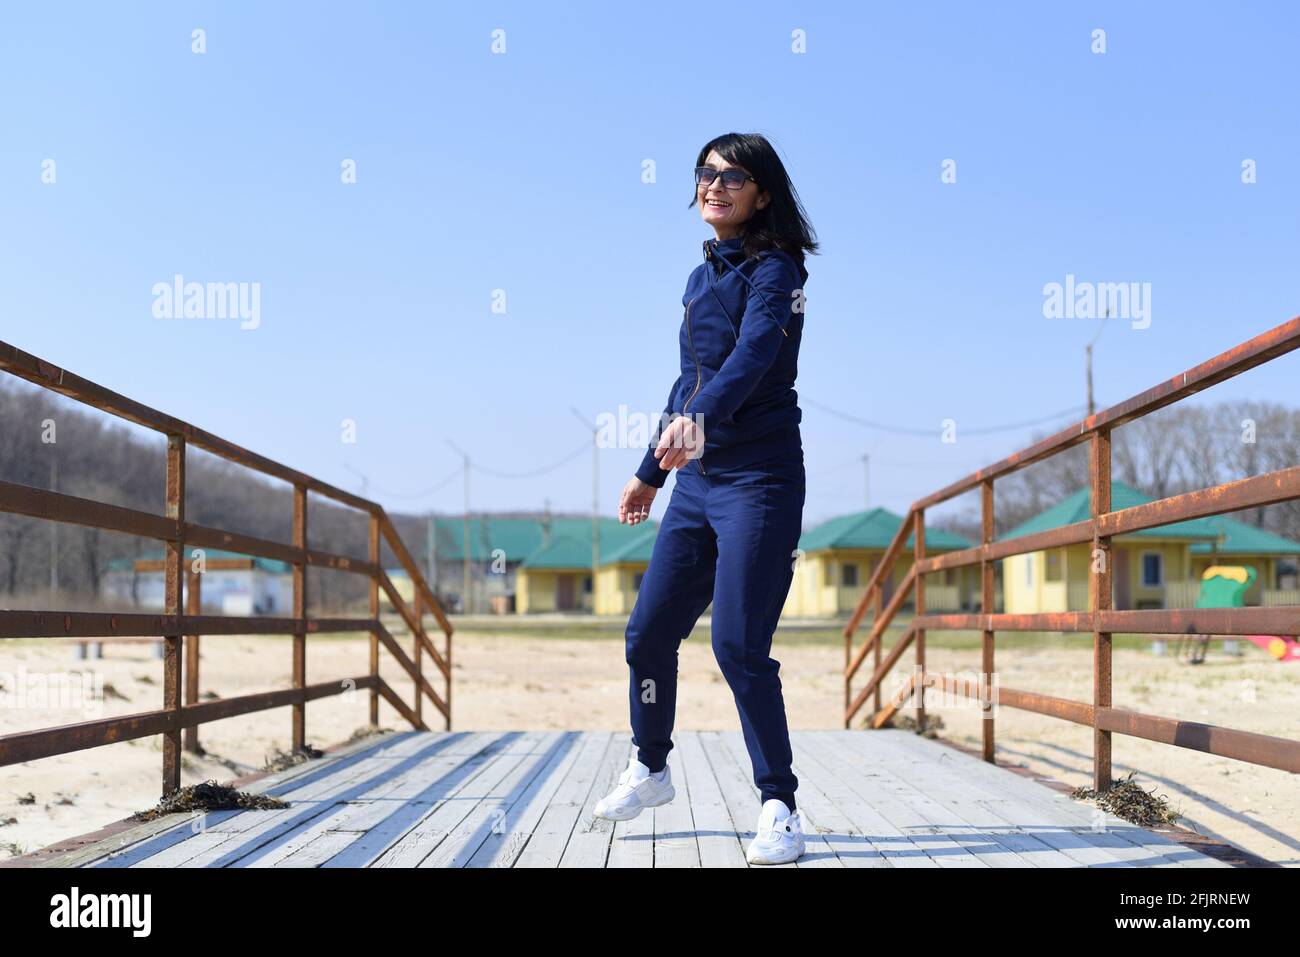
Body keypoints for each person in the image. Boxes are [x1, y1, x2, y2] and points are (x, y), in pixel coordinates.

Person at [592, 132, 818, 865]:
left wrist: (700, 421)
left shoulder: (776, 270)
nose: (714, 185)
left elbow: (755, 357)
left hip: (761, 480)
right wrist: (649, 472)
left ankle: (778, 805)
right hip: (698, 482)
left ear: (761, 192)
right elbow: (686, 380)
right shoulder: (698, 280)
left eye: (733, 175)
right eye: (705, 174)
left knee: (737, 644)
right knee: (648, 632)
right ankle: (651, 767)